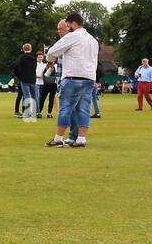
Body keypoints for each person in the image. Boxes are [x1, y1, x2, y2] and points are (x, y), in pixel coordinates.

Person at [42, 11, 99, 148]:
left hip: (73, 76)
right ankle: (81, 139)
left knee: (65, 108)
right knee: (84, 109)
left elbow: (51, 52)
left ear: (72, 23)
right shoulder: (92, 40)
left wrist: (50, 60)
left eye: (68, 25)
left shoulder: (73, 36)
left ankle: (58, 138)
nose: (67, 28)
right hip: (89, 77)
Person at [13, 43, 37, 119]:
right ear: (31, 49)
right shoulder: (34, 57)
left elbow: (17, 67)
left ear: (23, 49)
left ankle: (25, 113)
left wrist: (19, 76)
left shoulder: (21, 58)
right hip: (32, 79)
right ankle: (35, 112)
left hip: (24, 79)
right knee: (34, 96)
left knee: (25, 96)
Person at [37, 53, 58, 118]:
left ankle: (39, 112)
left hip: (45, 84)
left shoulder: (44, 66)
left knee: (42, 99)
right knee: (51, 99)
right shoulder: (56, 66)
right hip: (53, 84)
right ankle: (49, 113)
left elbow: (41, 75)